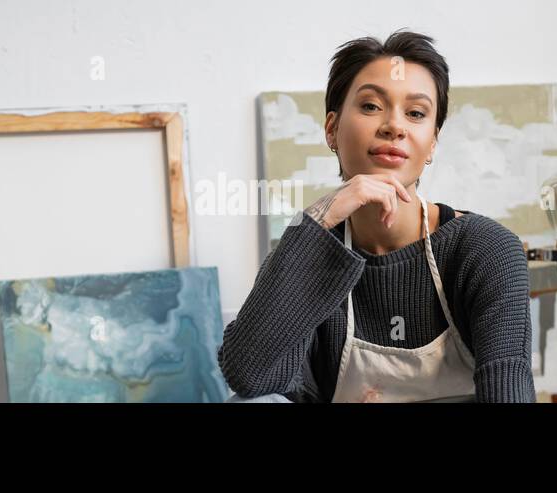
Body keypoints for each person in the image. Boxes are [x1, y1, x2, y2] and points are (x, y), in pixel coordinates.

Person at [220, 30, 534, 403]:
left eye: (416, 113)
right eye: (370, 106)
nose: (394, 127)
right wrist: (319, 218)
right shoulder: (310, 253)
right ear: (332, 130)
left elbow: (509, 391)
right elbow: (249, 378)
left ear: (432, 142)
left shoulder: (485, 249)